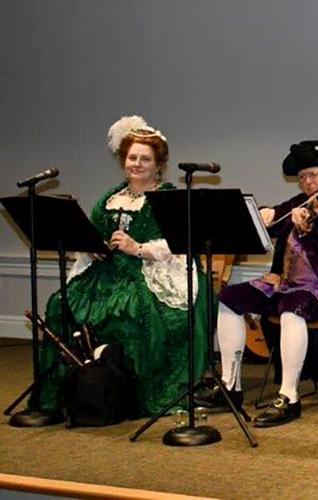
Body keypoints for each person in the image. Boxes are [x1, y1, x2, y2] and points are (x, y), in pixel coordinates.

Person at [196, 136, 318, 427]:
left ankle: (289, 397)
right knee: (230, 298)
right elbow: (275, 220)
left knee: (291, 306)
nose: (308, 183)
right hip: (284, 283)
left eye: (314, 175)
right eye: (302, 177)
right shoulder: (299, 203)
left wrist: (309, 232)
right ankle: (229, 385)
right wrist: (264, 216)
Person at [36, 116, 207, 418]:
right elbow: (90, 233)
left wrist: (137, 248)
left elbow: (177, 244)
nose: (137, 164)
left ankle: (130, 395)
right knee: (59, 304)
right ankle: (73, 390)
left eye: (145, 159)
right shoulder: (109, 198)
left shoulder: (166, 197)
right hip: (107, 273)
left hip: (150, 272)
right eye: (132, 158)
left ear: (158, 164)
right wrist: (94, 250)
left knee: (130, 310)